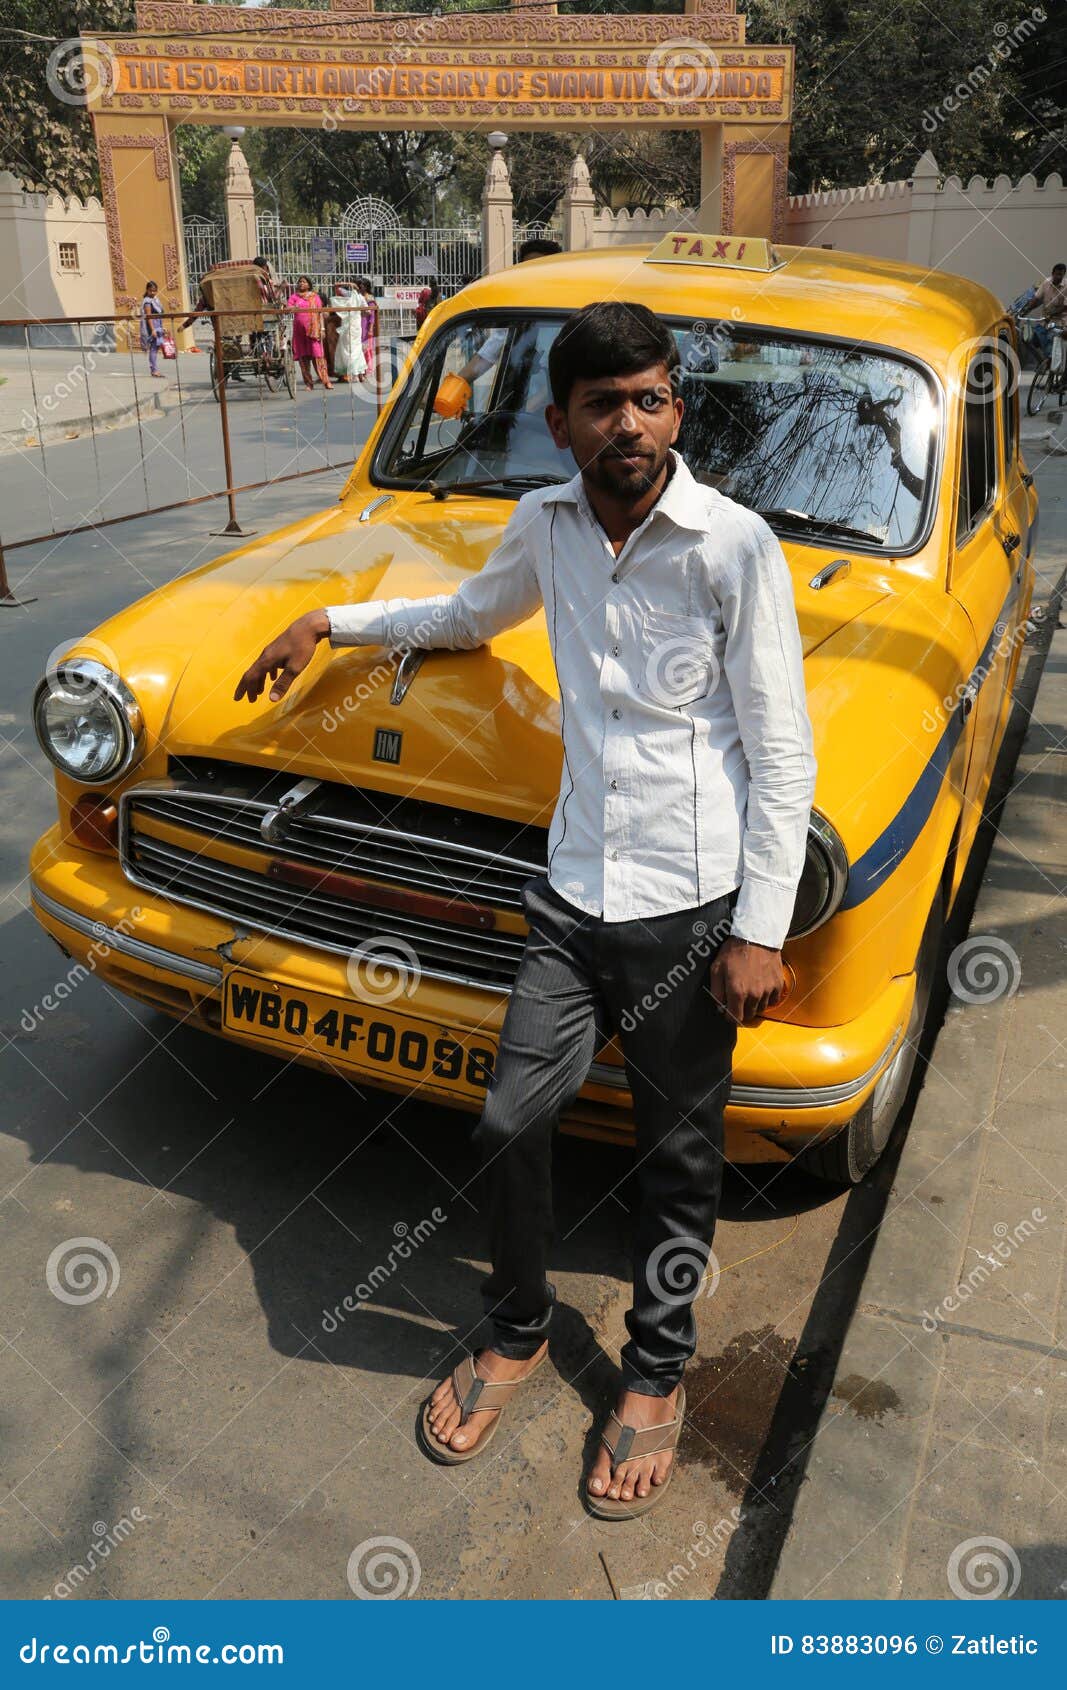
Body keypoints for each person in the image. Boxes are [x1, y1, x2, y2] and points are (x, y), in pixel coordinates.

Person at [233, 301, 817, 1519]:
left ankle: (654, 1372)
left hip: (688, 907)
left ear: (674, 410)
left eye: (649, 399)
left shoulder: (731, 547)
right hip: (570, 891)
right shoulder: (544, 525)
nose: (630, 423)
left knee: (676, 1154)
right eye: (602, 404)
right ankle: (517, 1321)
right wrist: (326, 621)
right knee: (507, 1122)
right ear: (559, 425)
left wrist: (759, 926)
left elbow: (781, 747)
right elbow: (462, 617)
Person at [434, 237, 563, 418]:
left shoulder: (567, 315)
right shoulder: (517, 313)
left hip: (554, 416)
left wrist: (533, 405)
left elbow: (564, 377)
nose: (533, 276)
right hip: (516, 416)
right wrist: (453, 389)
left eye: (541, 269)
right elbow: (487, 355)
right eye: (528, 270)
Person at [287, 274, 332, 391]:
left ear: (309, 284)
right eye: (300, 282)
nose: (302, 284)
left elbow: (320, 313)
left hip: (314, 332)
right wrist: (294, 307)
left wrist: (322, 329)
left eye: (304, 282)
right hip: (299, 333)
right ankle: (309, 383)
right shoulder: (294, 297)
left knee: (318, 356)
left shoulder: (315, 297)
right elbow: (288, 308)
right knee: (303, 358)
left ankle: (326, 381)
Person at [1020, 261, 1067, 359]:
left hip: (1059, 323)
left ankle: (1049, 363)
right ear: (1052, 273)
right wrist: (1025, 311)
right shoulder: (1046, 283)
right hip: (1044, 322)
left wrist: (1053, 313)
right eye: (1057, 274)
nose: (1059, 277)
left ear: (1064, 275)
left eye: (1061, 275)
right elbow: (1036, 299)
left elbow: (1065, 306)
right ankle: (1041, 360)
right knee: (1027, 338)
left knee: (1050, 342)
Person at [326, 280, 367, 384]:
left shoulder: (348, 298)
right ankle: (358, 374)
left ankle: (356, 374)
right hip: (351, 326)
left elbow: (336, 286)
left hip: (352, 327)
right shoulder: (355, 297)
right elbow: (367, 311)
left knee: (351, 349)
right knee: (354, 348)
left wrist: (347, 284)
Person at [139, 280, 165, 379]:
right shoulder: (147, 301)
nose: (153, 293)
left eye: (155, 291)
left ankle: (154, 369)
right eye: (151, 291)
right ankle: (154, 370)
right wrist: (153, 330)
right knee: (153, 348)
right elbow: (149, 316)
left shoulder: (155, 299)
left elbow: (159, 313)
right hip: (152, 325)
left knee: (156, 347)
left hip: (158, 324)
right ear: (147, 290)